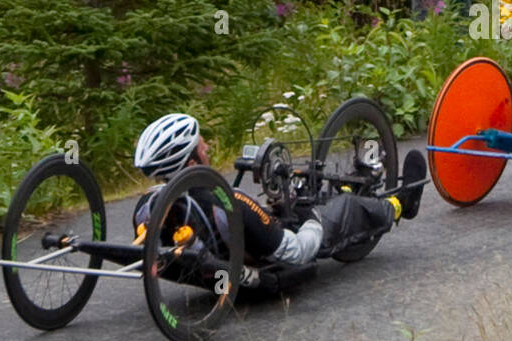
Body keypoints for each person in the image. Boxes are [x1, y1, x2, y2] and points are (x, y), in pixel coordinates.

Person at [130, 113, 426, 275]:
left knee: (297, 198)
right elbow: (295, 253)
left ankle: (343, 191)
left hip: (239, 246)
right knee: (344, 208)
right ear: (192, 162)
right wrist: (312, 218)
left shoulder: (149, 207)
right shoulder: (232, 203)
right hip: (280, 248)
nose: (207, 147)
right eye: (201, 145)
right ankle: (400, 204)